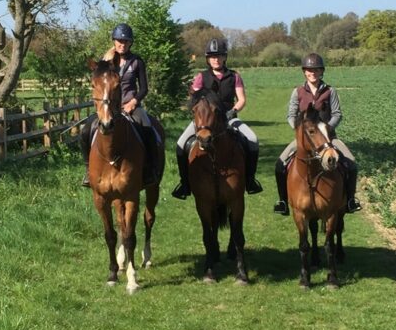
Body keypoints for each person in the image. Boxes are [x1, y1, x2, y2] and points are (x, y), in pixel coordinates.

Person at [171, 37, 263, 199]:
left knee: (252, 139)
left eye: (219, 56)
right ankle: (185, 184)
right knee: (180, 145)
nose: (216, 59)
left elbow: (241, 99)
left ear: (225, 57)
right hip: (204, 120)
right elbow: (194, 97)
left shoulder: (234, 76)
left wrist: (233, 110)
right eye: (213, 56)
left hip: (228, 117)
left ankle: (249, 180)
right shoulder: (201, 77)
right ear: (208, 59)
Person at [273, 53, 361, 215]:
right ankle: (283, 201)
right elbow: (291, 115)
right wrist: (299, 131)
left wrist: (326, 129)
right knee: (280, 164)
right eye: (309, 70)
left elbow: (337, 114)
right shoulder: (297, 92)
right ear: (304, 72)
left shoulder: (330, 91)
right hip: (304, 140)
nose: (312, 73)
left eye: (316, 70)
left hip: (329, 139)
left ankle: (350, 200)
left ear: (321, 72)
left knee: (352, 163)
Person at [80, 23, 160, 187]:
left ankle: (150, 170)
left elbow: (144, 88)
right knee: (86, 130)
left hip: (131, 105)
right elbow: (98, 83)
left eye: (125, 41)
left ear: (130, 43)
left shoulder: (137, 62)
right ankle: (89, 171)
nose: (122, 44)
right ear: (114, 41)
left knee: (148, 128)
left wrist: (133, 102)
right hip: (108, 108)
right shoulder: (105, 61)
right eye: (119, 41)